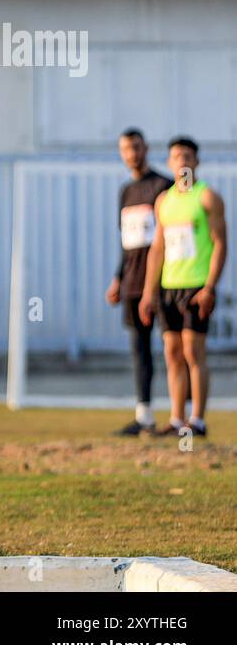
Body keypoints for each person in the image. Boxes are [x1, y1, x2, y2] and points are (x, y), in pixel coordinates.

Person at [139, 137, 227, 438]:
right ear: (170, 163)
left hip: (195, 285)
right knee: (172, 352)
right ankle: (176, 420)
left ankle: (197, 420)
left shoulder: (207, 198)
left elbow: (220, 244)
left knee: (193, 351)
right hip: (169, 286)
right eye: (177, 156)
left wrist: (210, 286)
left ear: (197, 162)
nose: (183, 162)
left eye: (188, 156)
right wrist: (149, 292)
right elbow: (158, 249)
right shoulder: (164, 201)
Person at [104, 129, 171, 435]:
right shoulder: (126, 192)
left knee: (175, 348)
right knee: (139, 348)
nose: (132, 154)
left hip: (163, 282)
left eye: (136, 147)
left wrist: (155, 284)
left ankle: (182, 418)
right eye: (126, 149)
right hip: (132, 284)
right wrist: (118, 278)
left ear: (146, 148)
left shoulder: (163, 186)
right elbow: (127, 243)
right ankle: (144, 414)